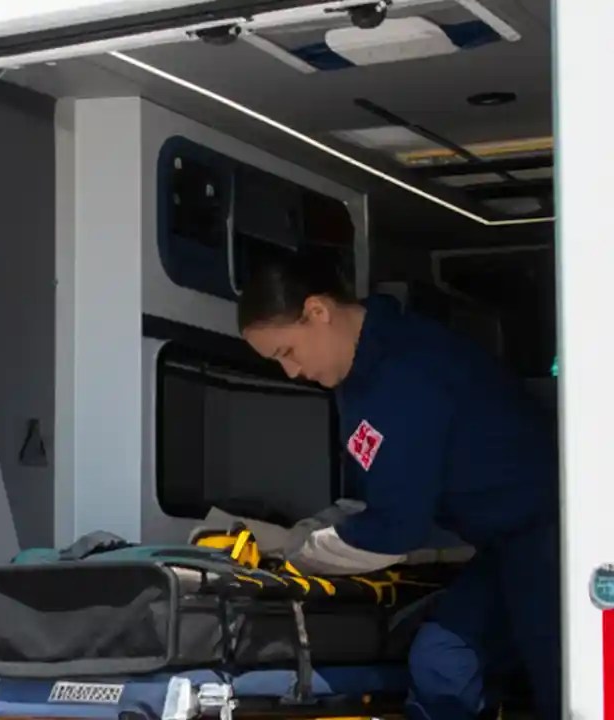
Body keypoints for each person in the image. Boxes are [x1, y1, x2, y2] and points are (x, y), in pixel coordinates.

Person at [235, 253, 560, 720]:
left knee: (567, 681)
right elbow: (381, 493)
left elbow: (397, 528)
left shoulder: (409, 369)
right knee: (442, 664)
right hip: (504, 547)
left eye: (286, 352)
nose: (291, 371)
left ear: (318, 312)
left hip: (556, 536)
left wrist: (300, 549)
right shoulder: (356, 381)